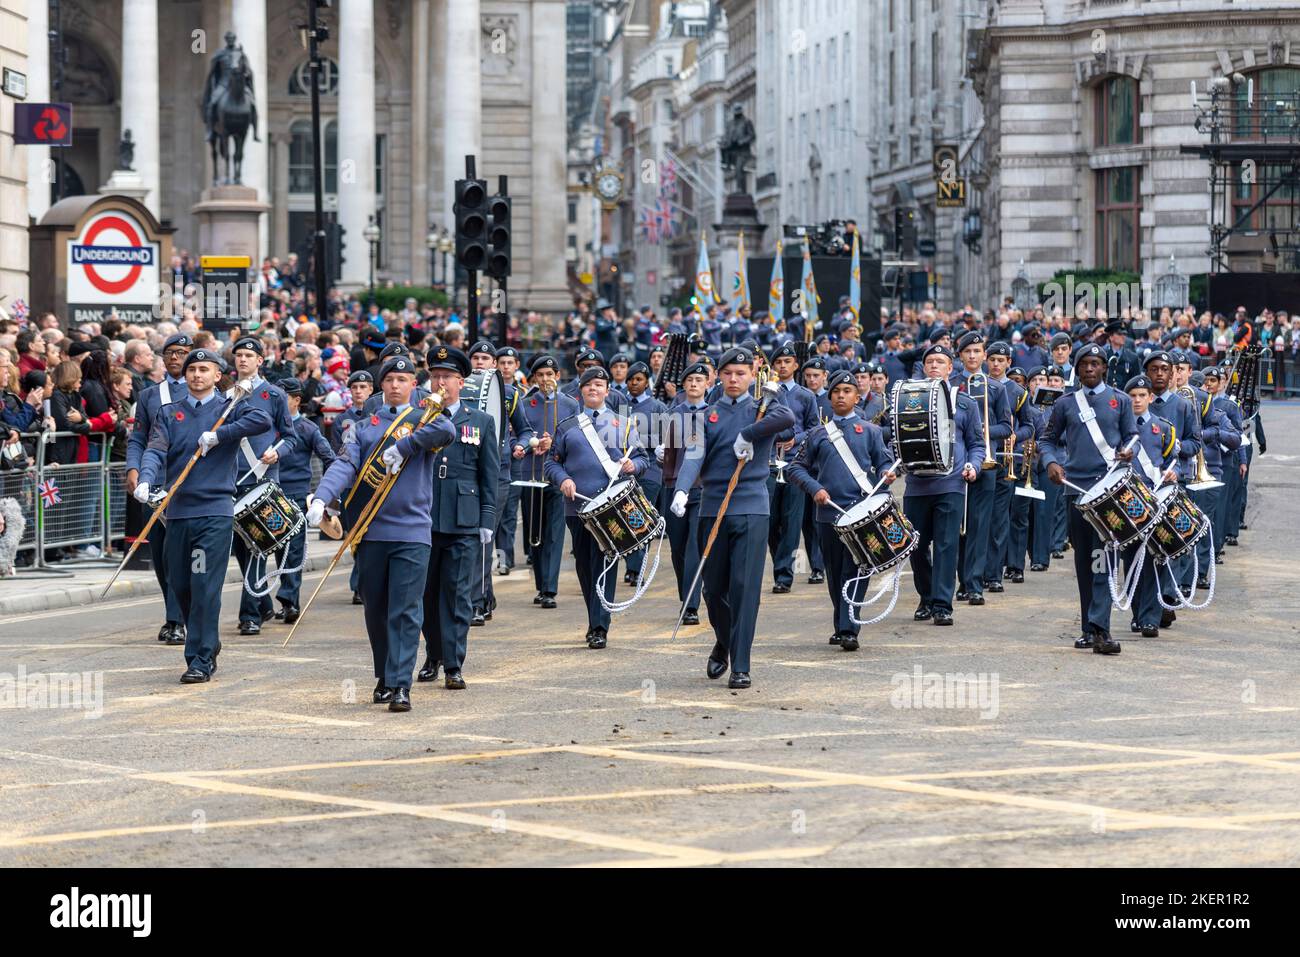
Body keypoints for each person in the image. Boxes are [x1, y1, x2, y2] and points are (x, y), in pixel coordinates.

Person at [308, 355, 457, 711]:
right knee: (376, 609)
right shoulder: (363, 426)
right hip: (371, 532)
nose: (394, 385)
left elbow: (447, 432)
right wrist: (322, 497)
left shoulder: (426, 419)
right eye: (389, 380)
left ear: (413, 387)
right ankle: (385, 675)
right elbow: (344, 464)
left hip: (412, 532)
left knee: (405, 610)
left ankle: (400, 683)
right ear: (381, 385)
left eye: (402, 380)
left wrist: (404, 445)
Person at [134, 350, 273, 683]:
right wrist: (145, 478)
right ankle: (207, 640)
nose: (196, 375)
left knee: (204, 585)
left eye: (204, 369)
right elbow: (155, 450)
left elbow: (263, 421)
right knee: (179, 584)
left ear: (216, 375)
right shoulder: (170, 414)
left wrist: (220, 434)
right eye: (192, 370)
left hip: (214, 513)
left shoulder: (229, 409)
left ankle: (199, 656)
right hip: (178, 512)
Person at [670, 347, 796, 688]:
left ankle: (741, 664)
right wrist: (681, 490)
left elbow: (789, 421)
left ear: (752, 376)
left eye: (741, 373)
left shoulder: (764, 408)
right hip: (713, 507)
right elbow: (693, 458)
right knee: (713, 591)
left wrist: (750, 434)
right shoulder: (705, 415)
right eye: (728, 373)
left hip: (752, 507)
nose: (734, 379)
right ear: (718, 377)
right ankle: (724, 641)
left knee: (745, 588)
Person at [1039, 344, 1138, 654]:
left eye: (1095, 364)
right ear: (1077, 369)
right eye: (1084, 365)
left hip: (1110, 492)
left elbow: (1131, 436)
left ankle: (1101, 629)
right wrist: (1051, 463)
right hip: (1075, 490)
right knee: (1084, 561)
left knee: (1105, 559)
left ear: (1104, 368)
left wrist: (1129, 451)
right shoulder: (1066, 403)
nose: (1090, 369)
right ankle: (1089, 628)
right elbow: (1047, 440)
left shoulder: (1120, 400)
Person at [786, 370, 895, 651]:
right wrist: (815, 489)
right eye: (836, 392)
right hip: (829, 513)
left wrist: (886, 473)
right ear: (830, 398)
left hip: (862, 514)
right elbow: (795, 468)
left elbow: (884, 461)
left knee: (858, 569)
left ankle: (849, 627)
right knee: (834, 573)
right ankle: (842, 623)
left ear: (857, 397)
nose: (841, 396)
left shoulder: (870, 431)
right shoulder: (817, 434)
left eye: (847, 391)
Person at [412, 346, 499, 687]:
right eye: (435, 376)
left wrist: (487, 519)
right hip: (425, 515)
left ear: (461, 383)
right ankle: (433, 654)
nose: (440, 382)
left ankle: (453, 664)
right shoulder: (420, 417)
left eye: (447, 377)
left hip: (464, 518)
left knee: (458, 594)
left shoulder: (480, 421)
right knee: (426, 593)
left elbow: (487, 472)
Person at [545, 366, 648, 649]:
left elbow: (643, 460)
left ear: (607, 390)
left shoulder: (623, 423)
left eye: (599, 385)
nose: (594, 389)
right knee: (584, 565)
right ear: (581, 390)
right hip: (578, 507)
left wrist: (632, 465)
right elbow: (551, 463)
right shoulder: (567, 425)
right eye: (588, 385)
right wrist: (563, 479)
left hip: (611, 509)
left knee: (605, 564)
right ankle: (594, 617)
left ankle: (600, 625)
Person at [883, 345, 983, 626]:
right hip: (917, 484)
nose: (935, 365)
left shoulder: (965, 403)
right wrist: (895, 464)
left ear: (951, 368)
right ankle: (925, 596)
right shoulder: (907, 400)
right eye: (930, 362)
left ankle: (942, 604)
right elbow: (896, 440)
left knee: (947, 545)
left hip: (951, 483)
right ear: (924, 368)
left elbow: (976, 444)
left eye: (941, 361)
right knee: (914, 546)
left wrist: (973, 466)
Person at [228, 337, 301, 636]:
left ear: (260, 360)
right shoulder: (226, 394)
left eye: (249, 355)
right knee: (241, 549)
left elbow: (290, 436)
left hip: (263, 479)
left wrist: (276, 453)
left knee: (258, 546)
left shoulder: (274, 394)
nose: (243, 360)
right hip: (234, 480)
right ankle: (262, 602)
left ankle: (249, 615)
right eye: (239, 355)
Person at [125, 334, 191, 642]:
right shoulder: (151, 395)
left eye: (182, 353)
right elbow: (138, 438)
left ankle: (177, 618)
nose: (175, 358)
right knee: (162, 554)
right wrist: (133, 469)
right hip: (155, 482)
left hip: (190, 485)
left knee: (178, 554)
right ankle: (172, 613)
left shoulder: (204, 392)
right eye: (170, 353)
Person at [951, 332, 1010, 605]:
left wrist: (984, 429)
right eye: (968, 352)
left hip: (986, 462)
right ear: (960, 355)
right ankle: (962, 581)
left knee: (979, 524)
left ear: (984, 355)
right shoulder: (950, 386)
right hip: (957, 463)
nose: (973, 356)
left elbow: (1007, 427)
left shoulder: (996, 388)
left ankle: (974, 583)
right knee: (957, 525)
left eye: (977, 351)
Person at [273, 378, 336, 622]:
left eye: (283, 397)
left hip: (297, 494)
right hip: (270, 494)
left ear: (297, 400)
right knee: (270, 548)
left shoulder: (308, 429)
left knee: (293, 550)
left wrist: (325, 497)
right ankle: (261, 604)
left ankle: (289, 601)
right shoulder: (267, 426)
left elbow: (330, 459)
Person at [518, 354, 578, 609]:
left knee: (554, 533)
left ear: (557, 376)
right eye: (540, 375)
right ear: (534, 378)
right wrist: (528, 445)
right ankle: (541, 584)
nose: (545, 380)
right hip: (531, 473)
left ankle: (550, 588)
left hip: (558, 476)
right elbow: (516, 437)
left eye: (549, 375)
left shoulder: (570, 404)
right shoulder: (524, 403)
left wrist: (554, 444)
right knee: (535, 533)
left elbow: (576, 438)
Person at [1122, 374, 1178, 639]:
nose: (1137, 400)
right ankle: (1137, 613)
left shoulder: (1163, 428)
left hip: (1154, 499)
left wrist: (1175, 474)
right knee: (1131, 558)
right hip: (1127, 501)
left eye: (1142, 396)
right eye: (1132, 396)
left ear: (1150, 398)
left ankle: (1150, 618)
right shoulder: (1119, 427)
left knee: (1156, 558)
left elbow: (1175, 460)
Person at [765, 342, 821, 593]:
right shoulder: (766, 393)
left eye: (788, 362)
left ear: (795, 365)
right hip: (768, 464)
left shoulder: (805, 396)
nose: (783, 366)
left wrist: (796, 440)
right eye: (779, 362)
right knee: (770, 521)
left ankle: (783, 576)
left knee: (792, 520)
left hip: (795, 465)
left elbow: (814, 428)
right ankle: (780, 561)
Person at [660, 361, 709, 625]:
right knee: (677, 549)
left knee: (693, 548)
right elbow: (668, 451)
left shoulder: (713, 414)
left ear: (707, 384)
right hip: (673, 484)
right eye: (690, 380)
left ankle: (691, 606)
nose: (694, 384)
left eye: (699, 380)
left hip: (701, 488)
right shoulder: (672, 413)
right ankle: (686, 594)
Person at [622, 361, 666, 585]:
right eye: (630, 380)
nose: (633, 383)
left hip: (650, 469)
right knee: (628, 517)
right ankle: (632, 563)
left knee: (642, 518)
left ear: (646, 382)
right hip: (626, 468)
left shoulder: (657, 406)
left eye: (638, 379)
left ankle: (636, 567)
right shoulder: (622, 405)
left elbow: (668, 435)